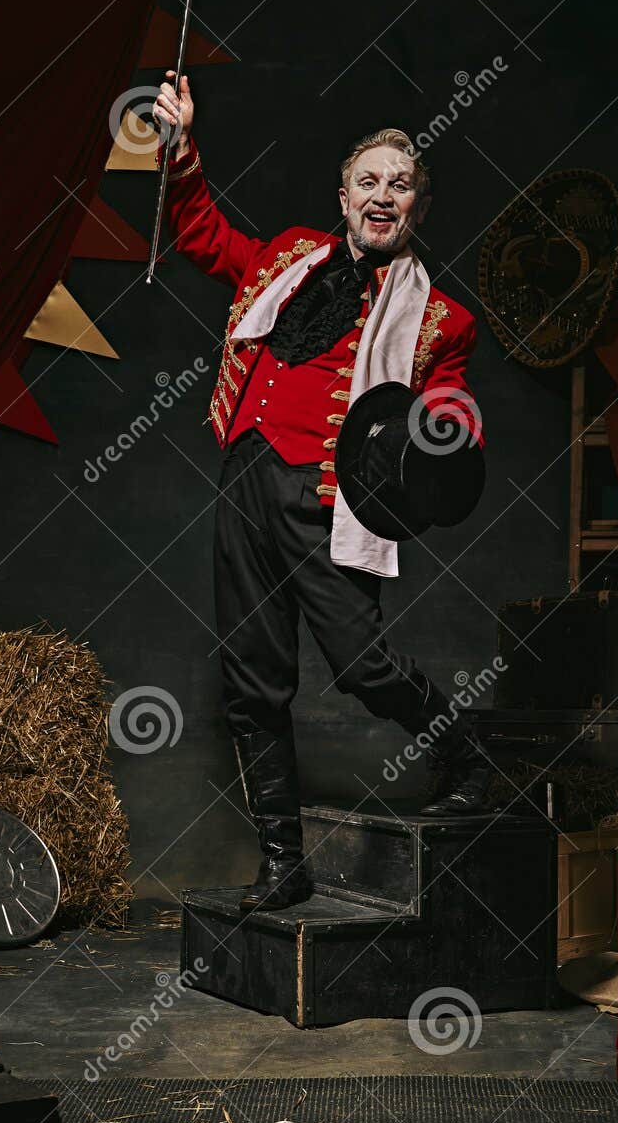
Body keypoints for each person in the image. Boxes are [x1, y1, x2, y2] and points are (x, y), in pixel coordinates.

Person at [153, 71, 490, 912]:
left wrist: (446, 434)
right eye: (367, 181)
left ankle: (467, 756)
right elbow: (201, 236)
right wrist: (179, 147)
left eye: (400, 184)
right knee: (253, 677)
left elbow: (449, 410)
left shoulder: (442, 318)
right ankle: (282, 863)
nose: (383, 195)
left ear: (417, 206)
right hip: (244, 480)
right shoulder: (283, 259)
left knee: (362, 666)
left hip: (331, 496)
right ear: (342, 196)